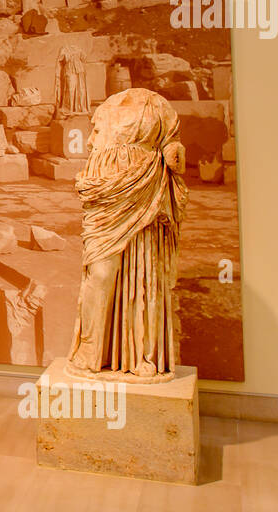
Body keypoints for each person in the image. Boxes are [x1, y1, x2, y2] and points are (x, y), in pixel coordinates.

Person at [66, 88, 188, 382]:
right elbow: (94, 141)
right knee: (101, 272)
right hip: (108, 185)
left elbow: (174, 148)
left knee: (144, 272)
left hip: (145, 181)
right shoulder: (106, 108)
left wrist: (173, 153)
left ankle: (139, 355)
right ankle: (91, 350)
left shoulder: (157, 105)